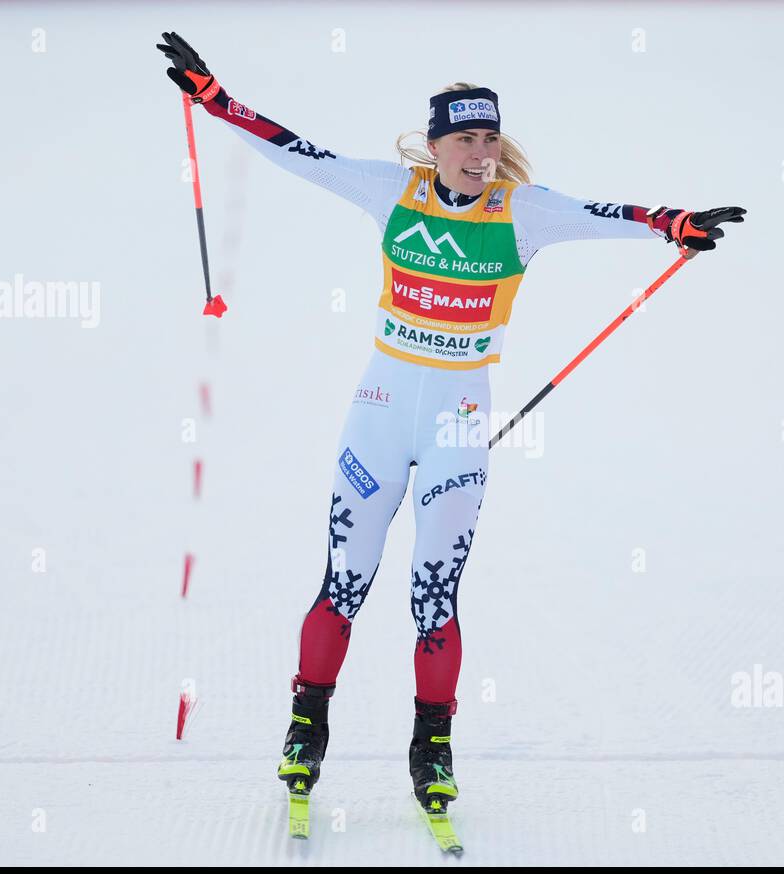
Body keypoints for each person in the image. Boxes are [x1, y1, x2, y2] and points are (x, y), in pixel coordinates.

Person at [156, 31, 745, 812]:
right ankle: (307, 727)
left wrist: (678, 224)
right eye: (465, 138)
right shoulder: (390, 189)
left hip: (459, 423)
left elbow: (615, 214)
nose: (480, 151)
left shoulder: (524, 211)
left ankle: (432, 748)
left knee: (435, 596)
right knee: (345, 583)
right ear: (434, 145)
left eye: (490, 137)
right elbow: (297, 152)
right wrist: (213, 98)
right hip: (380, 410)